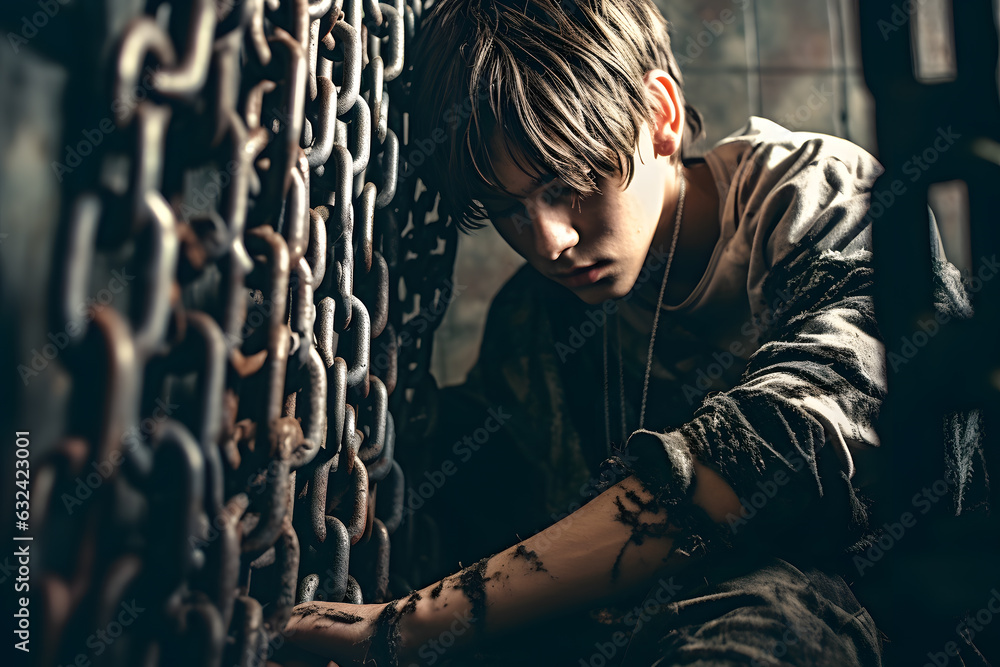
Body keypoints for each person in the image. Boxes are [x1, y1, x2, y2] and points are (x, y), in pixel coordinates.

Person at [278, 1, 969, 665]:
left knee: (774, 612)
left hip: (903, 617)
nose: (548, 240)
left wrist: (420, 622)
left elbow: (801, 440)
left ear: (660, 116)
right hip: (651, 628)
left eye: (568, 184)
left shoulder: (817, 200)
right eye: (507, 210)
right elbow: (484, 474)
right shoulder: (539, 319)